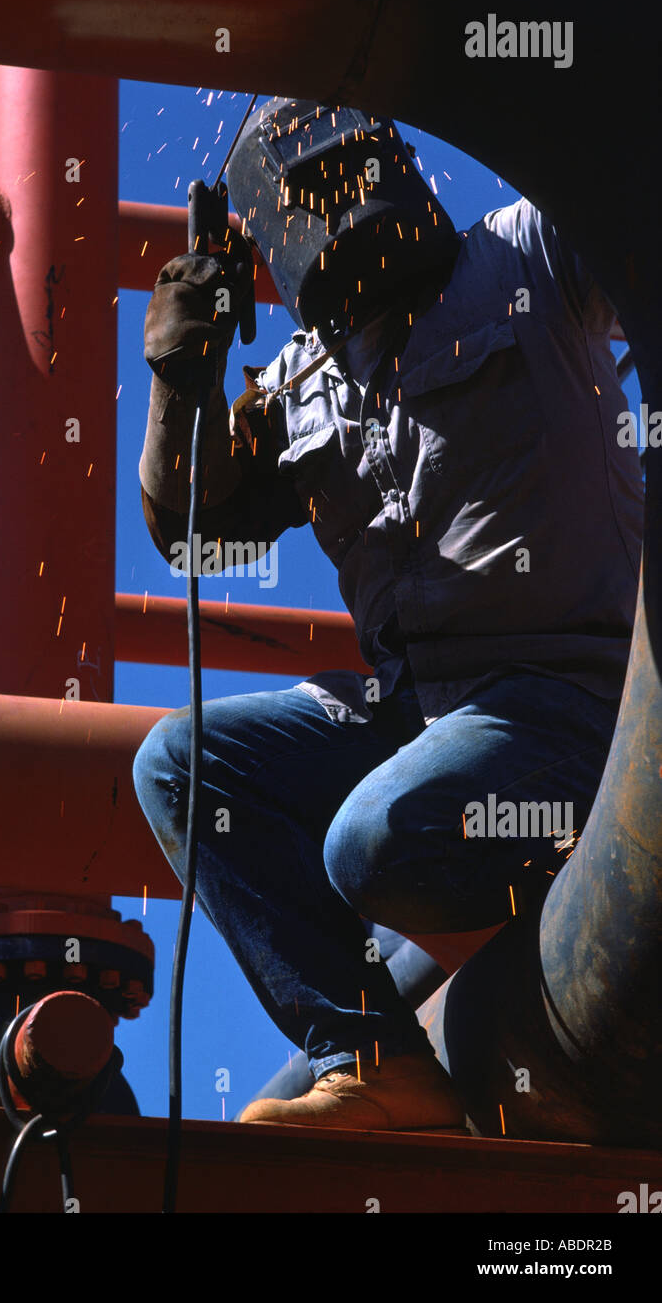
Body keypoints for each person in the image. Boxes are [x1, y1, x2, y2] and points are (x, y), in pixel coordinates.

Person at [132, 98, 643, 1131]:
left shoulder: (531, 256)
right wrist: (182, 380)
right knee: (184, 762)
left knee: (378, 838)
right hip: (425, 722)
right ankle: (372, 1057)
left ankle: (605, 882)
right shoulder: (302, 386)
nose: (334, 190)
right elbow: (196, 530)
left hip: (582, 709)